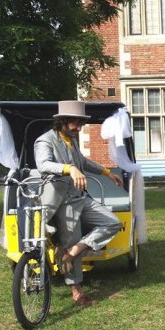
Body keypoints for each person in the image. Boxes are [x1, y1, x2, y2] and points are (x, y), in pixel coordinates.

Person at [34, 100, 123, 307]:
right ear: (63, 122)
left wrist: (107, 172)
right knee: (69, 237)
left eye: (81, 123)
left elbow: (82, 162)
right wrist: (69, 169)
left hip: (81, 198)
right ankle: (76, 292)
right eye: (76, 123)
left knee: (112, 222)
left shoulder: (71, 139)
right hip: (63, 201)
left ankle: (72, 251)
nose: (79, 127)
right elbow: (43, 164)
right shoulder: (45, 141)